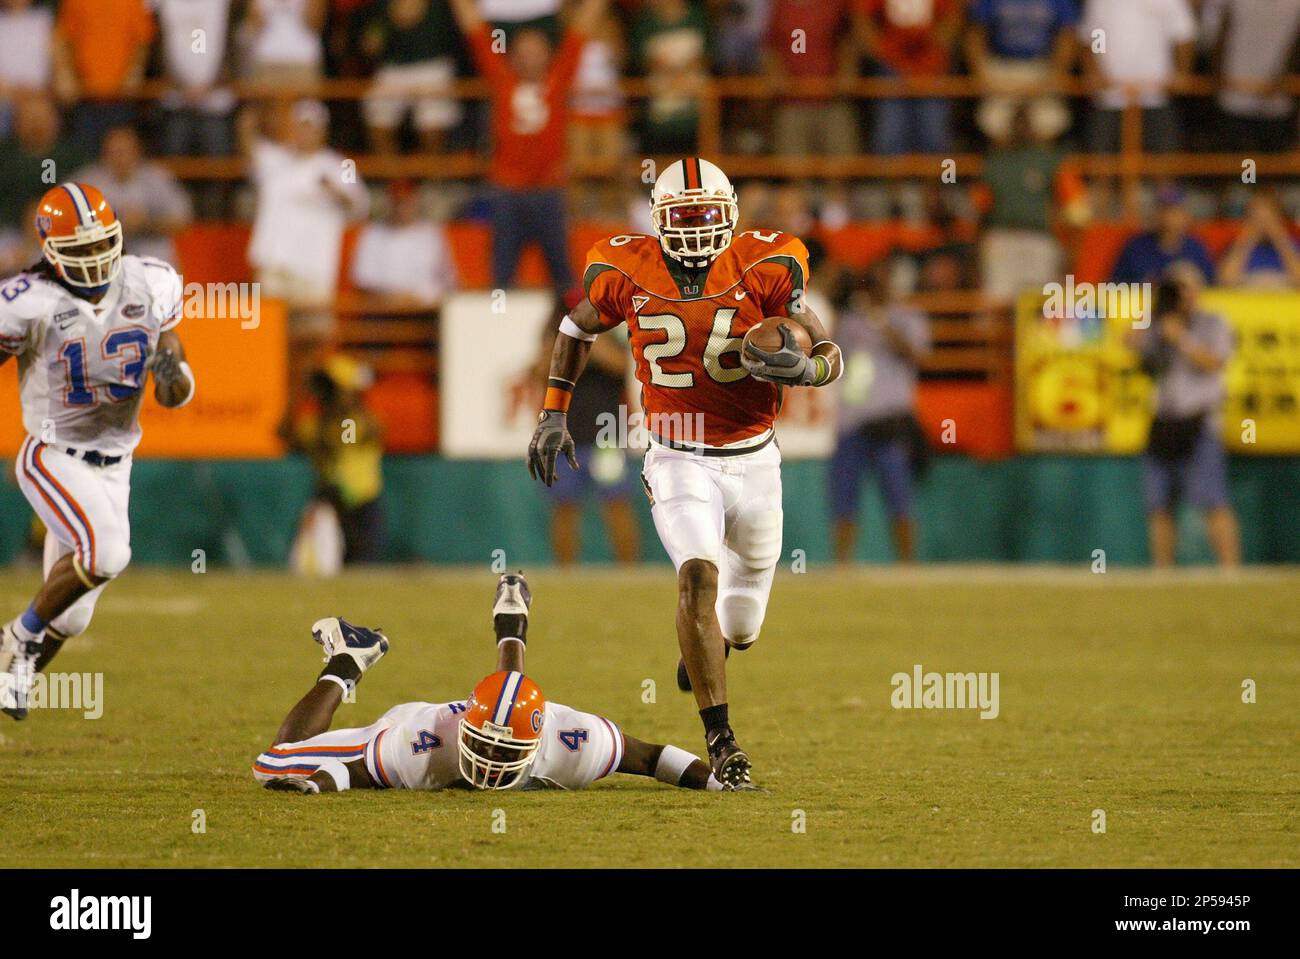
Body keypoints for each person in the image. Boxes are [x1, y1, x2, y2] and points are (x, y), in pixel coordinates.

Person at [526, 158, 844, 789]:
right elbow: (574, 326)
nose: (697, 230)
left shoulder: (768, 261)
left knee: (743, 626)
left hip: (755, 457)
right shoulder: (627, 267)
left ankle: (712, 647)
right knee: (697, 576)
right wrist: (552, 412)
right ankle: (723, 741)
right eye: (684, 216)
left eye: (706, 216)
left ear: (728, 214)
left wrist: (808, 371)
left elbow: (825, 345)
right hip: (677, 454)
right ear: (657, 218)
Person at [0, 183, 196, 719]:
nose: (92, 258)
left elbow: (177, 393)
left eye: (99, 244)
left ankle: (14, 657)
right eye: (78, 249)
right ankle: (16, 638)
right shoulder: (27, 301)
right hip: (52, 454)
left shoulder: (151, 281)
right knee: (106, 554)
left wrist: (170, 372)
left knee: (74, 617)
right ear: (50, 249)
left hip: (116, 464)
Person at [254, 573, 727, 793]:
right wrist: (317, 784)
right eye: (487, 745)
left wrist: (717, 787)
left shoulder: (575, 742)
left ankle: (510, 622)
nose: (491, 760)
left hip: (505, 709)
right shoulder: (428, 742)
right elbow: (359, 770)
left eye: (503, 749)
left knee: (510, 695)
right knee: (273, 763)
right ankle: (348, 659)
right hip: (414, 721)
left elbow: (651, 757)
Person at [449, 0, 607, 293]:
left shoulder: (559, 77)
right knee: (502, 275)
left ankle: (572, 337)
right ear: (513, 57)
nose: (529, 57)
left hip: (548, 190)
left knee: (563, 277)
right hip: (508, 191)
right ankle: (500, 331)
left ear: (549, 53)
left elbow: (586, 21)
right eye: (523, 51)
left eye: (535, 50)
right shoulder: (502, 79)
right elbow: (473, 27)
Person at [241, 98, 369, 395]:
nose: (305, 132)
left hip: (313, 269)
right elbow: (250, 148)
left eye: (311, 127)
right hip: (273, 264)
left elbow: (360, 205)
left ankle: (306, 403)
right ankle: (269, 399)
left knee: (314, 340)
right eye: (300, 126)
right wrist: (248, 119)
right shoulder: (276, 161)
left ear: (322, 131)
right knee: (268, 337)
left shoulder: (337, 165)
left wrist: (334, 190)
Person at [1128, 264, 1240, 568]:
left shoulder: (1213, 322)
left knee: (1213, 499)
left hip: (1199, 421)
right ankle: (1163, 572)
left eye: (1186, 287)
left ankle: (1231, 572)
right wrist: (1147, 318)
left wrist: (1181, 338)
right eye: (1175, 287)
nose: (1181, 294)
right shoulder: (1157, 325)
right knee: (1158, 503)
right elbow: (1135, 353)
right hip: (1164, 420)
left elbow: (1213, 362)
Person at [828, 265, 930, 564]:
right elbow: (830, 351)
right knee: (844, 499)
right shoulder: (850, 321)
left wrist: (881, 321)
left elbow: (915, 354)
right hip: (852, 422)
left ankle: (907, 564)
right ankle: (842, 565)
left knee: (899, 497)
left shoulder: (907, 317)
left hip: (890, 422)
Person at [534, 292, 639, 566]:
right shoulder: (556, 337)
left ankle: (628, 573)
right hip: (565, 436)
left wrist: (589, 338)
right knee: (564, 506)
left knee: (616, 503)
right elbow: (542, 371)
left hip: (606, 437)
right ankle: (566, 573)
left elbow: (621, 365)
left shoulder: (609, 334)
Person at [287, 355, 387, 565]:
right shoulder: (315, 424)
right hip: (330, 504)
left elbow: (350, 436)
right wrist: (302, 396)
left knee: (364, 567)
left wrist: (344, 405)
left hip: (361, 502)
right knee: (326, 567)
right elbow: (285, 433)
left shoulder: (360, 422)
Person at [1077, 0, 1195, 153]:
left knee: (1163, 160)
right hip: (1110, 95)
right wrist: (1097, 72)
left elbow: (1183, 35)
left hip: (1156, 94)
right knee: (1101, 160)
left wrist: (1182, 73)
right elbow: (1096, 35)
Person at [72, 126, 194, 265]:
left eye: (124, 152)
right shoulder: (87, 181)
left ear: (137, 151)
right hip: (103, 265)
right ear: (103, 153)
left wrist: (146, 222)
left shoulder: (157, 178)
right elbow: (62, 221)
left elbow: (182, 220)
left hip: (152, 263)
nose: (119, 158)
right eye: (113, 152)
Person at [966, 0, 1078, 145]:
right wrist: (981, 74)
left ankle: (1038, 166)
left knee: (1048, 122)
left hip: (1042, 66)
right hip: (1001, 67)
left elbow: (1068, 35)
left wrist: (1058, 73)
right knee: (995, 122)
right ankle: (1003, 166)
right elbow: (975, 33)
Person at [52, 0, 155, 155]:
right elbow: (63, 37)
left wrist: (136, 70)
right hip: (85, 96)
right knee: (85, 158)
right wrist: (65, 72)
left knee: (120, 156)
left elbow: (143, 37)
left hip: (121, 97)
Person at [361, 0, 464, 155]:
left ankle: (435, 177)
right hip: (392, 68)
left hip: (434, 65)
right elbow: (370, 45)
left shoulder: (441, 6)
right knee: (378, 123)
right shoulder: (381, 5)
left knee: (432, 127)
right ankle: (395, 178)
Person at [350, 179, 458, 308]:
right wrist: (396, 300)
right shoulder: (372, 234)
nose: (402, 206)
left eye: (407, 201)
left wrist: (421, 299)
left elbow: (450, 281)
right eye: (398, 201)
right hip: (384, 313)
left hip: (428, 313)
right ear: (390, 201)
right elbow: (364, 283)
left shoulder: (431, 234)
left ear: (415, 200)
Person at [1110, 184, 1215, 286]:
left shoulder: (1196, 248)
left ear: (1185, 215)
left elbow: (1211, 288)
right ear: (1155, 214)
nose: (1168, 218)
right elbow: (1115, 286)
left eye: (1174, 211)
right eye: (1164, 211)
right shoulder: (1136, 247)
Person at [1218, 190, 1300, 289]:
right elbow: (1226, 281)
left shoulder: (1294, 245)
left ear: (1279, 218)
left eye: (1268, 217)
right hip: (1246, 302)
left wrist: (1279, 238)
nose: (1263, 224)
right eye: (1256, 217)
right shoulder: (1236, 246)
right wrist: (1249, 239)